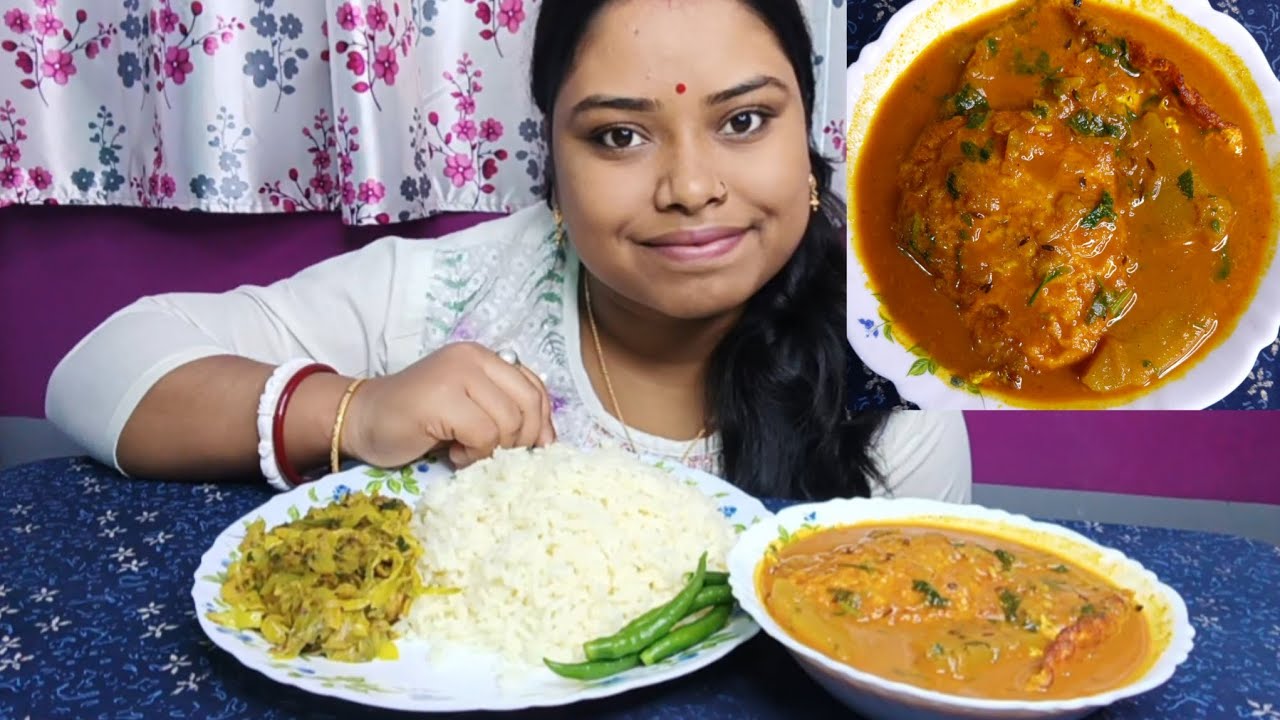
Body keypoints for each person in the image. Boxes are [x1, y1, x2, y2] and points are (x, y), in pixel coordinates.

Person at [45, 0, 972, 503]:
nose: (691, 187)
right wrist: (355, 412)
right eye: (618, 136)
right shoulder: (455, 291)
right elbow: (95, 376)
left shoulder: (893, 377)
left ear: (810, 137)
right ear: (553, 166)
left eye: (742, 121)